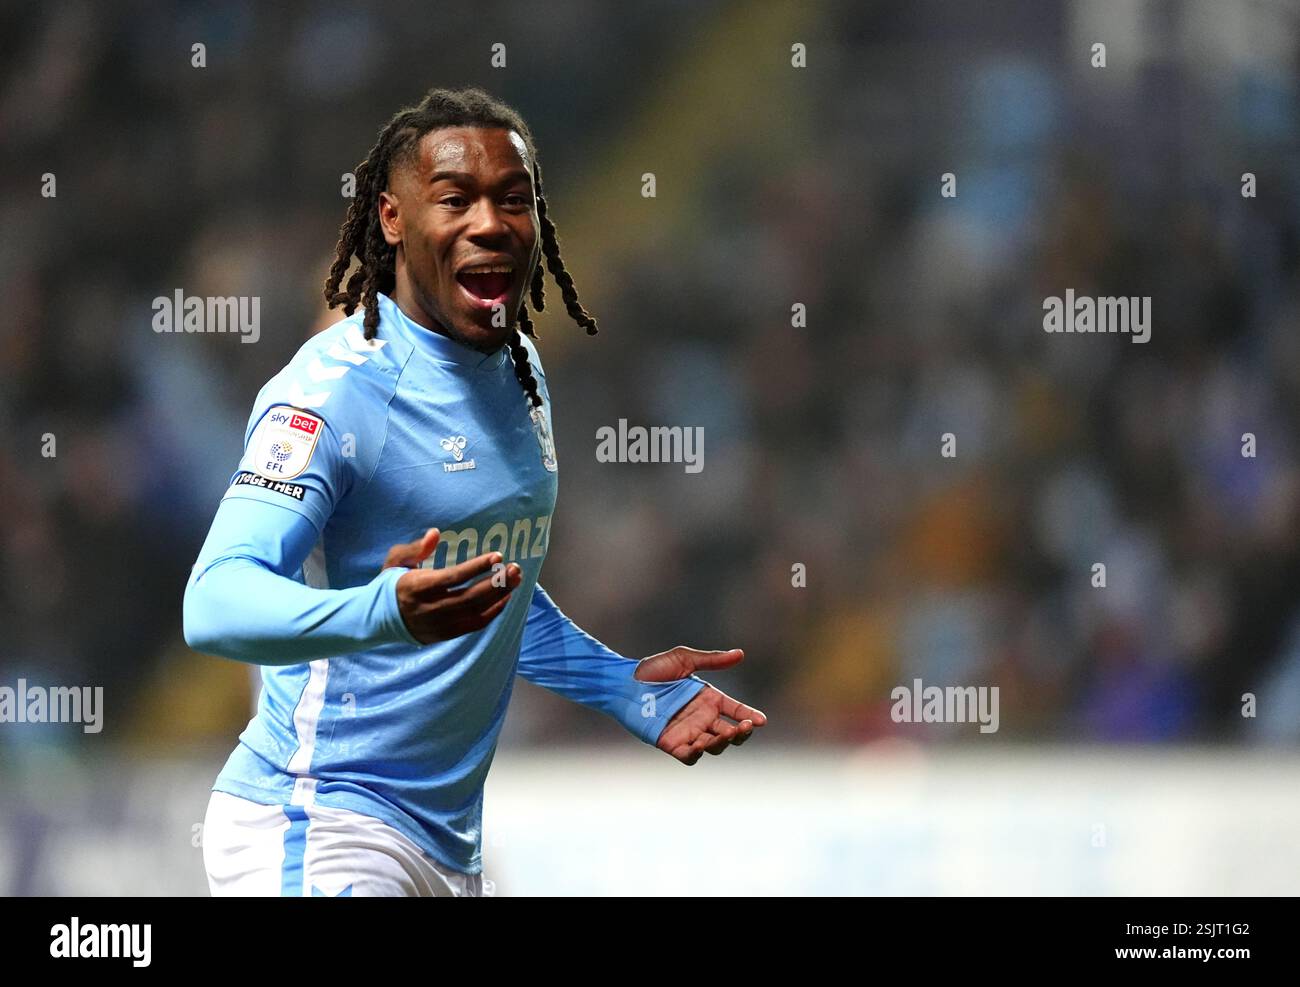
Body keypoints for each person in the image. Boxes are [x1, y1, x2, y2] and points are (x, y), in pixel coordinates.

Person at [183, 86, 767, 897]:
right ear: (392, 220)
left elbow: (492, 586)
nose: (489, 222)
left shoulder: (521, 374)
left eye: (514, 199)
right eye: (454, 199)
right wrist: (380, 609)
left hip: (447, 848)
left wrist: (626, 689)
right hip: (318, 823)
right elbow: (213, 601)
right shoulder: (331, 393)